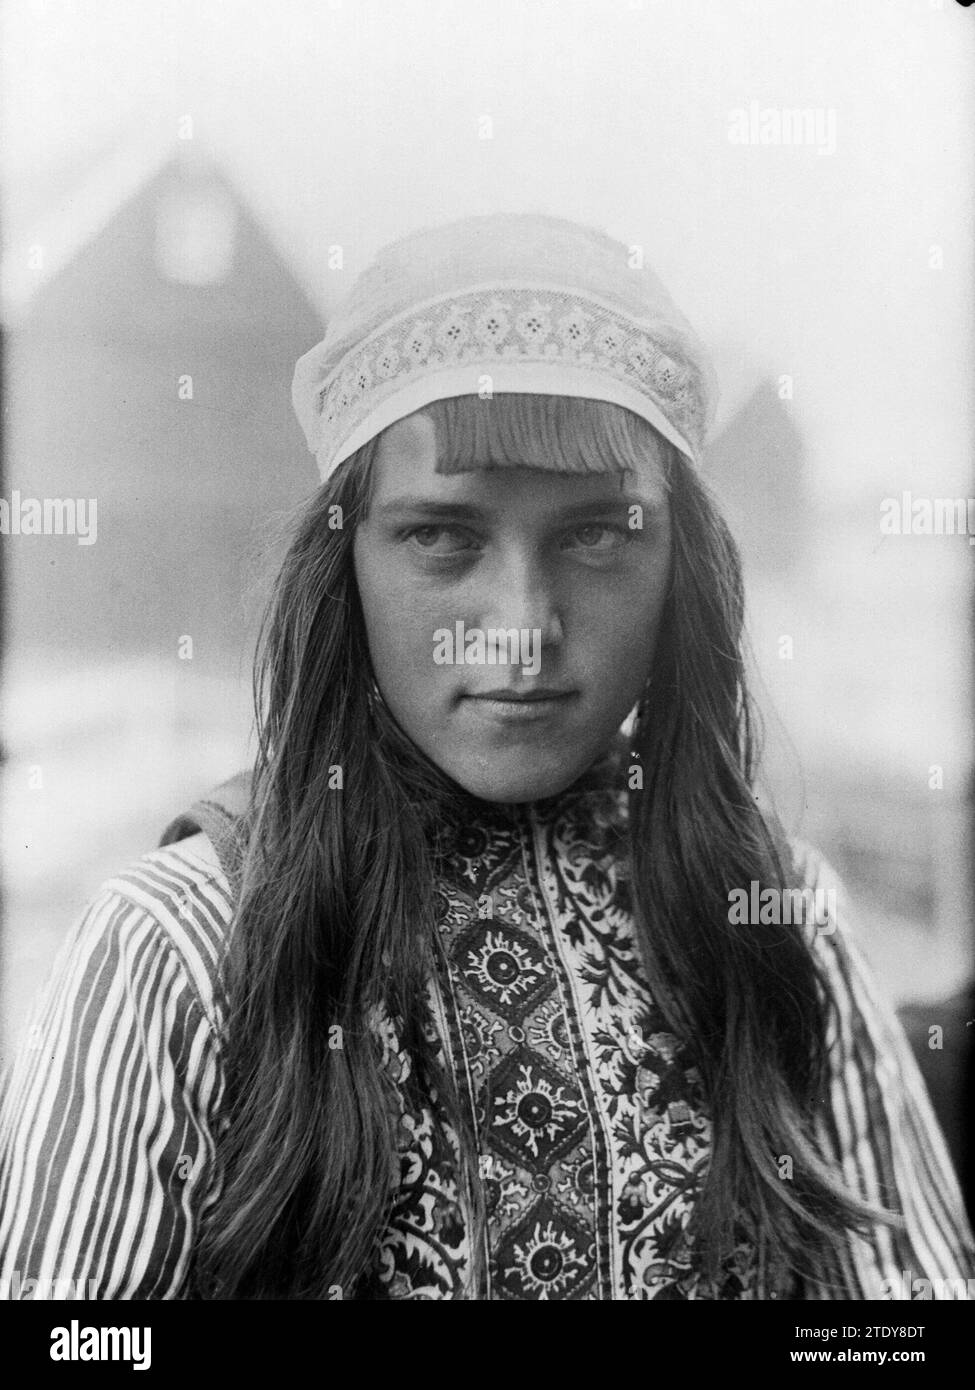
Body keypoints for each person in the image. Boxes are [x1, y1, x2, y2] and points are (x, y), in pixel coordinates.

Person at [0, 213, 972, 1301]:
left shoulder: (775, 914)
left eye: (596, 535)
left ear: (680, 569)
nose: (521, 627)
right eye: (444, 538)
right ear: (347, 567)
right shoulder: (174, 954)